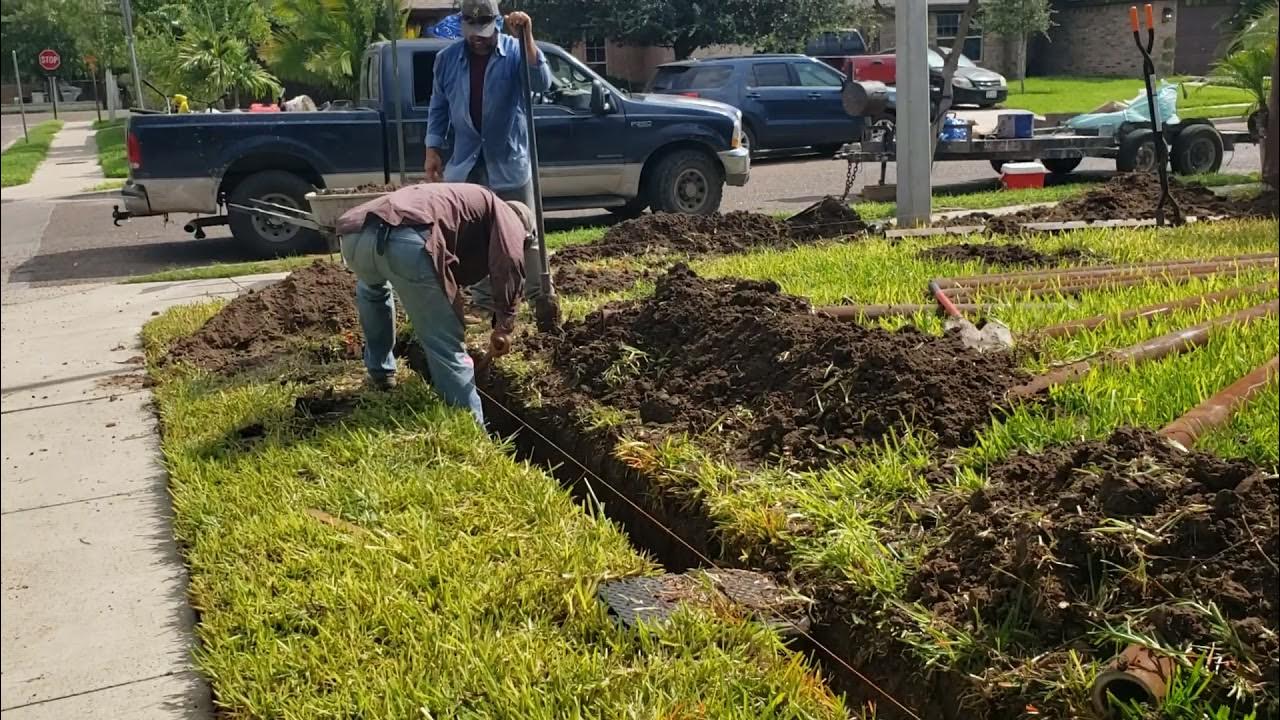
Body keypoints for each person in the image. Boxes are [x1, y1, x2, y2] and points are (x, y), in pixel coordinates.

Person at [334, 183, 535, 426]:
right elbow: (510, 260)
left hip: (355, 236)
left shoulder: (466, 202)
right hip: (406, 241)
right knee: (446, 346)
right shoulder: (507, 215)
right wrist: (504, 325)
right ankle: (471, 427)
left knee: (372, 291)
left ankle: (380, 373)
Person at [424, 0, 554, 311]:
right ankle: (484, 304)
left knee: (527, 232)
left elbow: (542, 82)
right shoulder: (447, 59)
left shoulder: (514, 53)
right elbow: (438, 106)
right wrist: (432, 149)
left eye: (483, 30)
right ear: (463, 25)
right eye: (471, 30)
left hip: (508, 162)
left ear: (496, 23)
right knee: (475, 237)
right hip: (467, 164)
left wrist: (527, 38)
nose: (477, 37)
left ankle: (540, 299)